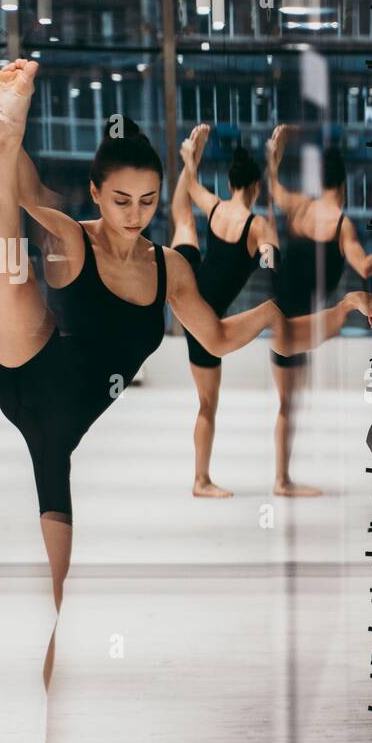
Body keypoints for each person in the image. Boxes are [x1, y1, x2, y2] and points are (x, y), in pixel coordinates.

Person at [0, 60, 372, 743]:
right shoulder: (73, 239)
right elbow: (24, 201)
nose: (134, 213)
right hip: (29, 367)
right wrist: (7, 148)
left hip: (59, 437)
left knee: (60, 597)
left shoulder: (172, 270)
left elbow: (232, 340)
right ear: (98, 194)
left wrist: (345, 307)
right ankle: (4, 127)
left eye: (146, 200)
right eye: (120, 199)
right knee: (8, 266)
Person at [263, 124, 372, 496]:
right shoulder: (342, 227)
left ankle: (282, 477)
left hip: (282, 322)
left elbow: (273, 188)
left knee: (287, 405)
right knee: (289, 406)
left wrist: (273, 156)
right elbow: (365, 267)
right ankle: (282, 480)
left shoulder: (299, 207)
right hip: (303, 328)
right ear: (342, 186)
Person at [169, 125, 279, 498]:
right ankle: (201, 481)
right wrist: (266, 252)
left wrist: (191, 168)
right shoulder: (257, 223)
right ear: (255, 187)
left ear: (232, 184)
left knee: (183, 219)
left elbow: (189, 193)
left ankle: (188, 160)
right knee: (207, 405)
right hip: (203, 319)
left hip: (189, 293)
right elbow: (269, 245)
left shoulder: (215, 206)